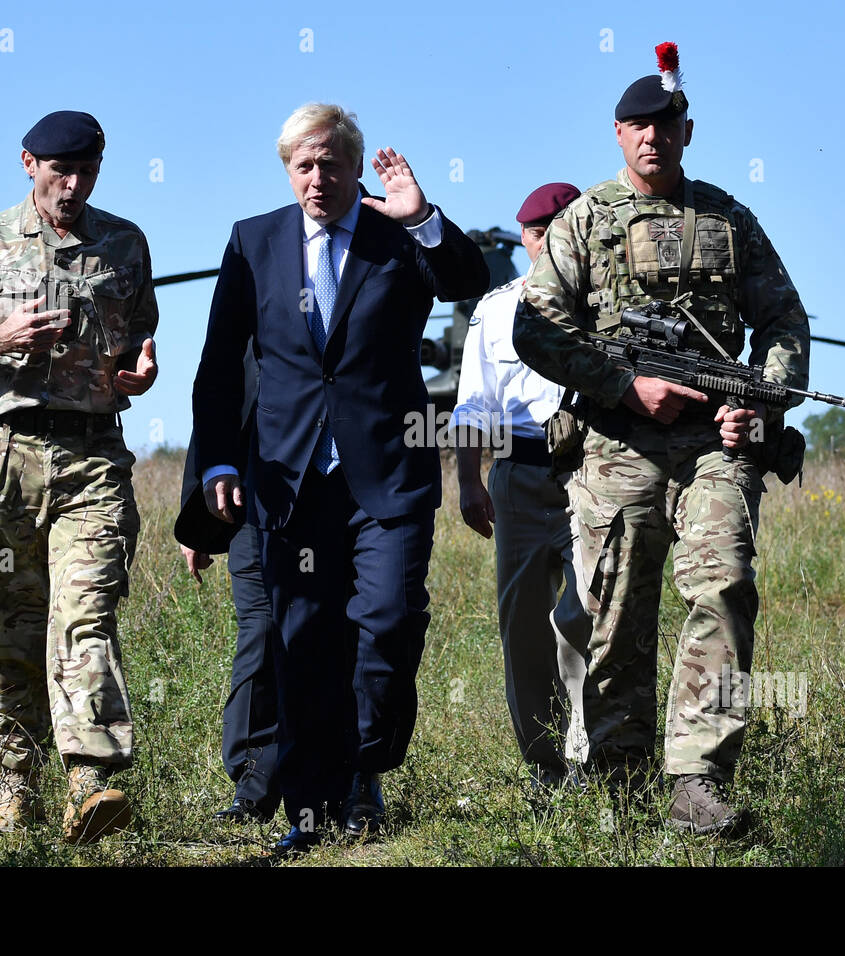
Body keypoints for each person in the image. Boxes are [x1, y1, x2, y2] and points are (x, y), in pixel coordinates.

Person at [513, 44, 811, 833]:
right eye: (638, 126)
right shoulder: (582, 222)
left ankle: (697, 779)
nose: (652, 137)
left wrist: (762, 404)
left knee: (725, 587)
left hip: (714, 444)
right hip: (618, 445)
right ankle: (615, 777)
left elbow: (783, 321)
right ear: (618, 134)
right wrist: (625, 385)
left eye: (665, 124)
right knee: (615, 611)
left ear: (687, 131)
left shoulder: (729, 219)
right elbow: (535, 330)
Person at [191, 103, 488, 851]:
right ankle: (313, 808)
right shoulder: (253, 242)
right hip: (289, 483)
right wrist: (219, 462)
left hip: (385, 478)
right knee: (302, 642)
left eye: (331, 164)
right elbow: (221, 363)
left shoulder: (397, 235)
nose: (318, 178)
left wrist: (424, 219)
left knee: (387, 622)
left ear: (357, 169)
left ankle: (365, 767)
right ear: (287, 170)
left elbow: (468, 281)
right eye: (304, 165)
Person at [0, 110, 159, 844]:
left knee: (86, 616)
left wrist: (140, 373)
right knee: (6, 628)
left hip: (92, 458)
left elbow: (138, 344)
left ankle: (90, 780)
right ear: (29, 164)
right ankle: (15, 788)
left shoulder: (125, 243)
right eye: (61, 172)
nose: (74, 185)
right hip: (5, 456)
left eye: (87, 171)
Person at [450, 182, 592, 791]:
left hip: (592, 471)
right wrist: (466, 480)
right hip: (517, 475)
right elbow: (472, 404)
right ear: (528, 239)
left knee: (587, 612)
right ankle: (544, 765)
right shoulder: (495, 308)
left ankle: (596, 754)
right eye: (538, 234)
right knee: (523, 624)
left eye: (562, 228)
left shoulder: (608, 305)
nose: (550, 241)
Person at [174, 344, 281, 824]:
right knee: (259, 634)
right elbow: (212, 411)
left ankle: (340, 781)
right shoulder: (247, 315)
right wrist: (195, 517)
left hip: (333, 498)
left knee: (331, 636)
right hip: (251, 506)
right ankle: (252, 785)